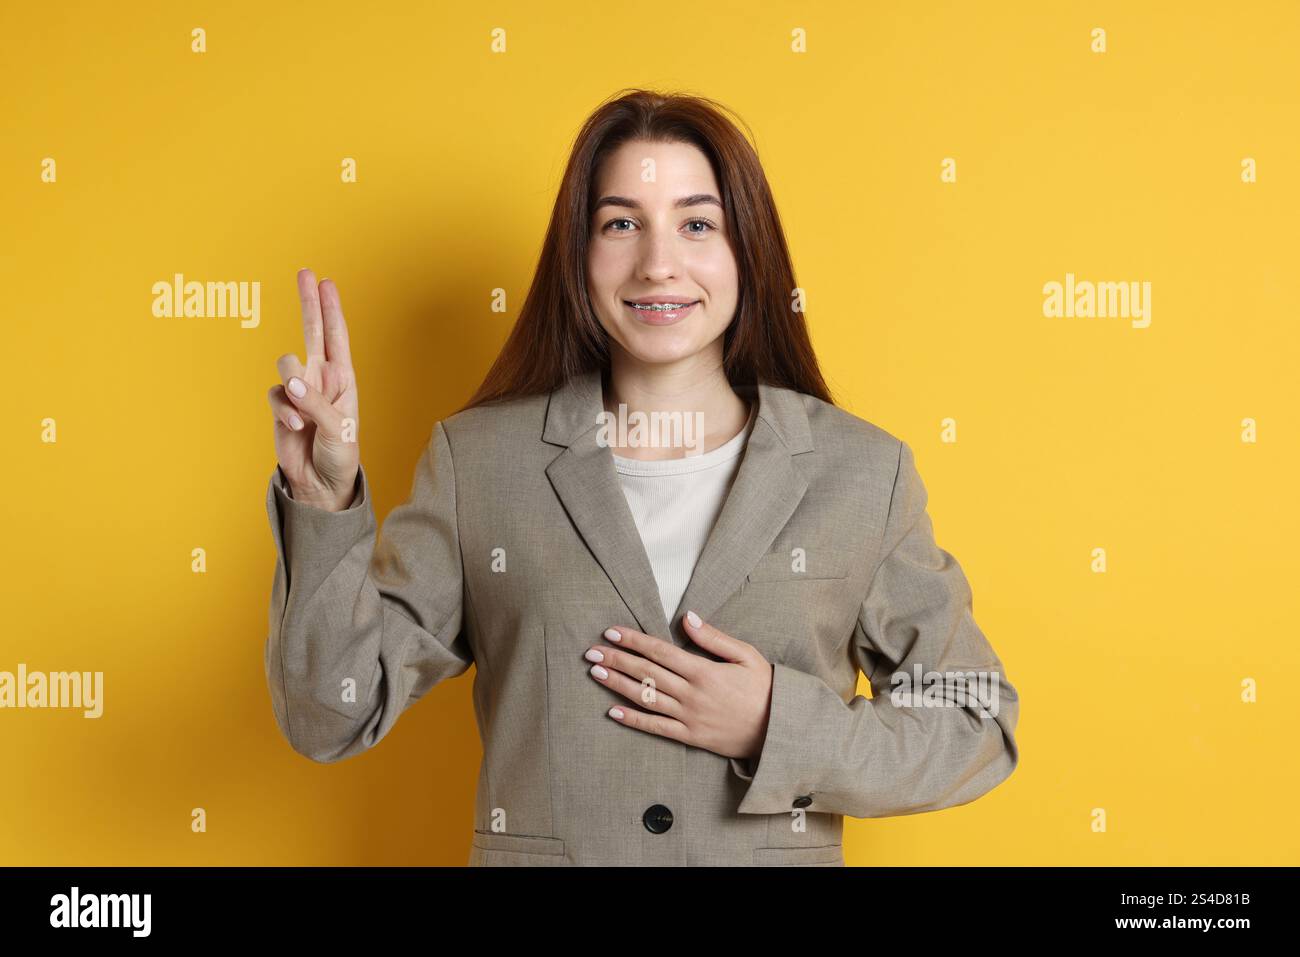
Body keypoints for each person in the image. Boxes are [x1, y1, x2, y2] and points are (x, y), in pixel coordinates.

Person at [263, 89, 1020, 866]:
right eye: (621, 223)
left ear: (745, 250)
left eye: (697, 223)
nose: (659, 264)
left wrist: (774, 722)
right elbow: (330, 716)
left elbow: (974, 721)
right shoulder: (480, 462)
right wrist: (323, 499)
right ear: (579, 252)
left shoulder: (860, 472)